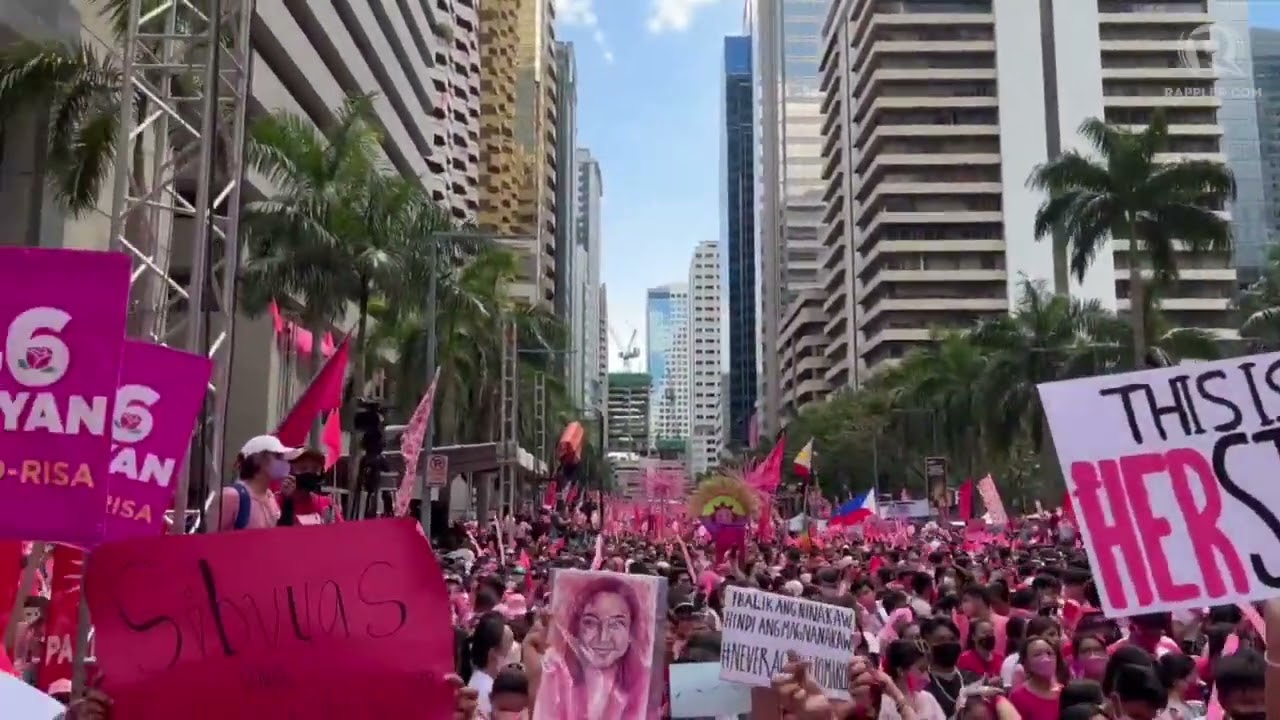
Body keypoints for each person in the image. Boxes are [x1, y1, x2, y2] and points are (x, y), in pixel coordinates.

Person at [534, 574, 652, 719]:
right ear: (575, 628)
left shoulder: (643, 678)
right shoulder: (555, 669)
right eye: (591, 622)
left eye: (616, 624)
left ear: (631, 633)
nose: (603, 637)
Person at [218, 435, 303, 531]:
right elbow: (209, 539)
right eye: (278, 456)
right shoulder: (230, 496)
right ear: (258, 459)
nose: (285, 463)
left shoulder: (270, 496)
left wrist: (288, 500)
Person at [879, 639, 945, 720]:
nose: (926, 677)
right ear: (900, 670)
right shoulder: (883, 704)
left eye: (927, 670)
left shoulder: (928, 698)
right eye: (921, 670)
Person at [465, 611, 515, 717]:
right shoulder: (485, 692)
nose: (515, 649)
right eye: (509, 647)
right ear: (493, 653)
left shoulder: (486, 682)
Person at [276, 448, 342, 526]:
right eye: (303, 468)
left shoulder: (327, 505)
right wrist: (287, 502)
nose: (310, 473)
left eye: (315, 469)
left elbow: (341, 533)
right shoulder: (273, 504)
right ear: (289, 471)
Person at [1007, 637, 1062, 720]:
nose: (1046, 659)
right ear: (1026, 664)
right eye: (1037, 654)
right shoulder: (1018, 697)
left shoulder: (1062, 691)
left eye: (1049, 653)